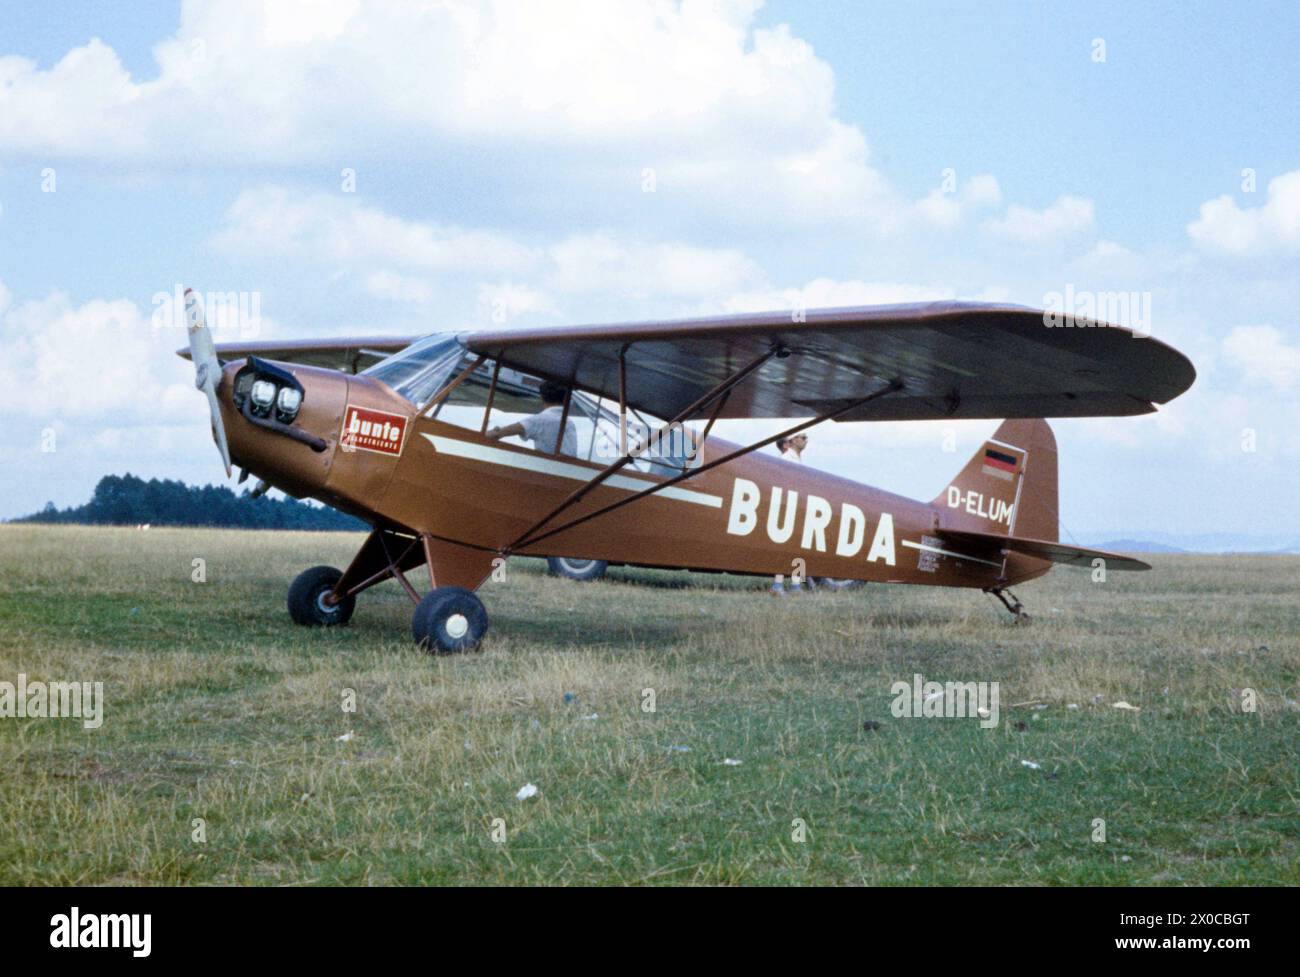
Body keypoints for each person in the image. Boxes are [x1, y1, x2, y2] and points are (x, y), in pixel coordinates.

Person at [486, 381, 578, 456]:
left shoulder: (541, 419)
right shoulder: (570, 423)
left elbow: (497, 434)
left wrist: (493, 431)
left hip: (546, 470)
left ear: (542, 397)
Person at [772, 434, 809, 595]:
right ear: (793, 440)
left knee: (798, 546)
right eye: (803, 437)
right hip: (788, 505)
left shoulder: (797, 458)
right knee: (784, 546)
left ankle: (796, 585)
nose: (806, 440)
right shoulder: (787, 458)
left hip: (797, 506)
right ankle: (778, 584)